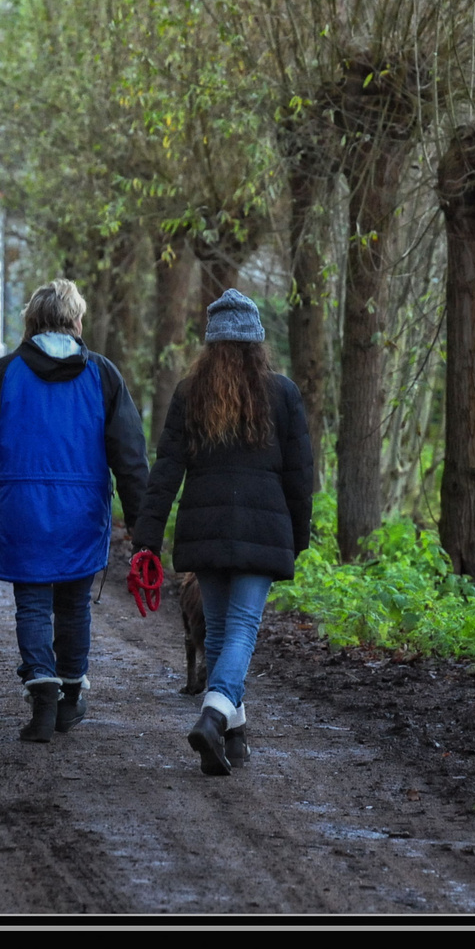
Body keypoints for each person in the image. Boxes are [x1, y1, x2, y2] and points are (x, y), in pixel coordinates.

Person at [0, 279, 150, 743]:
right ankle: (68, 696)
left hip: (19, 506)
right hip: (80, 510)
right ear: (77, 321)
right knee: (73, 603)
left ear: (31, 322)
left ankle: (41, 687)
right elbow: (129, 455)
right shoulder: (102, 375)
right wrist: (144, 527)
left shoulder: (4, 373)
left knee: (33, 602)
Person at [132, 288, 314, 776]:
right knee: (241, 631)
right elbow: (301, 477)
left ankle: (234, 741)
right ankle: (214, 719)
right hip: (262, 528)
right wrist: (299, 535)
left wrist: (146, 535)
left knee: (218, 633)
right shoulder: (282, 393)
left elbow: (166, 468)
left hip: (205, 529)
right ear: (258, 344)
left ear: (209, 346)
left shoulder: (191, 394)